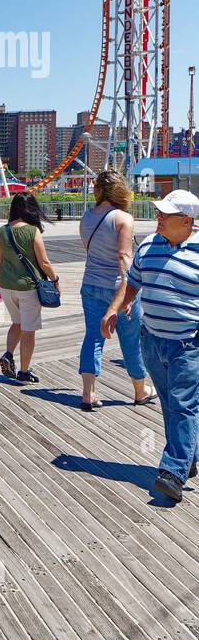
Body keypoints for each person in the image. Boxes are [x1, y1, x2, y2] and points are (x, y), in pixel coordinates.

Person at [102, 190, 199, 502]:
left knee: (183, 405)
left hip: (188, 344)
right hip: (152, 341)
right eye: (158, 212)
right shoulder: (148, 245)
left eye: (165, 214)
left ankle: (172, 471)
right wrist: (116, 307)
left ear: (186, 221)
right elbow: (132, 282)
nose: (158, 217)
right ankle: (189, 455)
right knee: (173, 405)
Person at [78, 169, 154, 410]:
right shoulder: (123, 218)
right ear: (121, 189)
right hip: (118, 288)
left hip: (90, 284)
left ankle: (88, 393)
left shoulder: (86, 217)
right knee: (131, 340)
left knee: (93, 336)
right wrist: (128, 294)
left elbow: (89, 251)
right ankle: (140, 390)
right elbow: (124, 256)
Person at [0, 191, 61, 383]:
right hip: (28, 288)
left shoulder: (2, 231)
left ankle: (8, 354)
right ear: (32, 209)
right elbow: (44, 262)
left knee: (17, 323)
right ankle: (24, 372)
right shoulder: (33, 231)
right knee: (29, 329)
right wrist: (55, 280)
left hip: (6, 286)